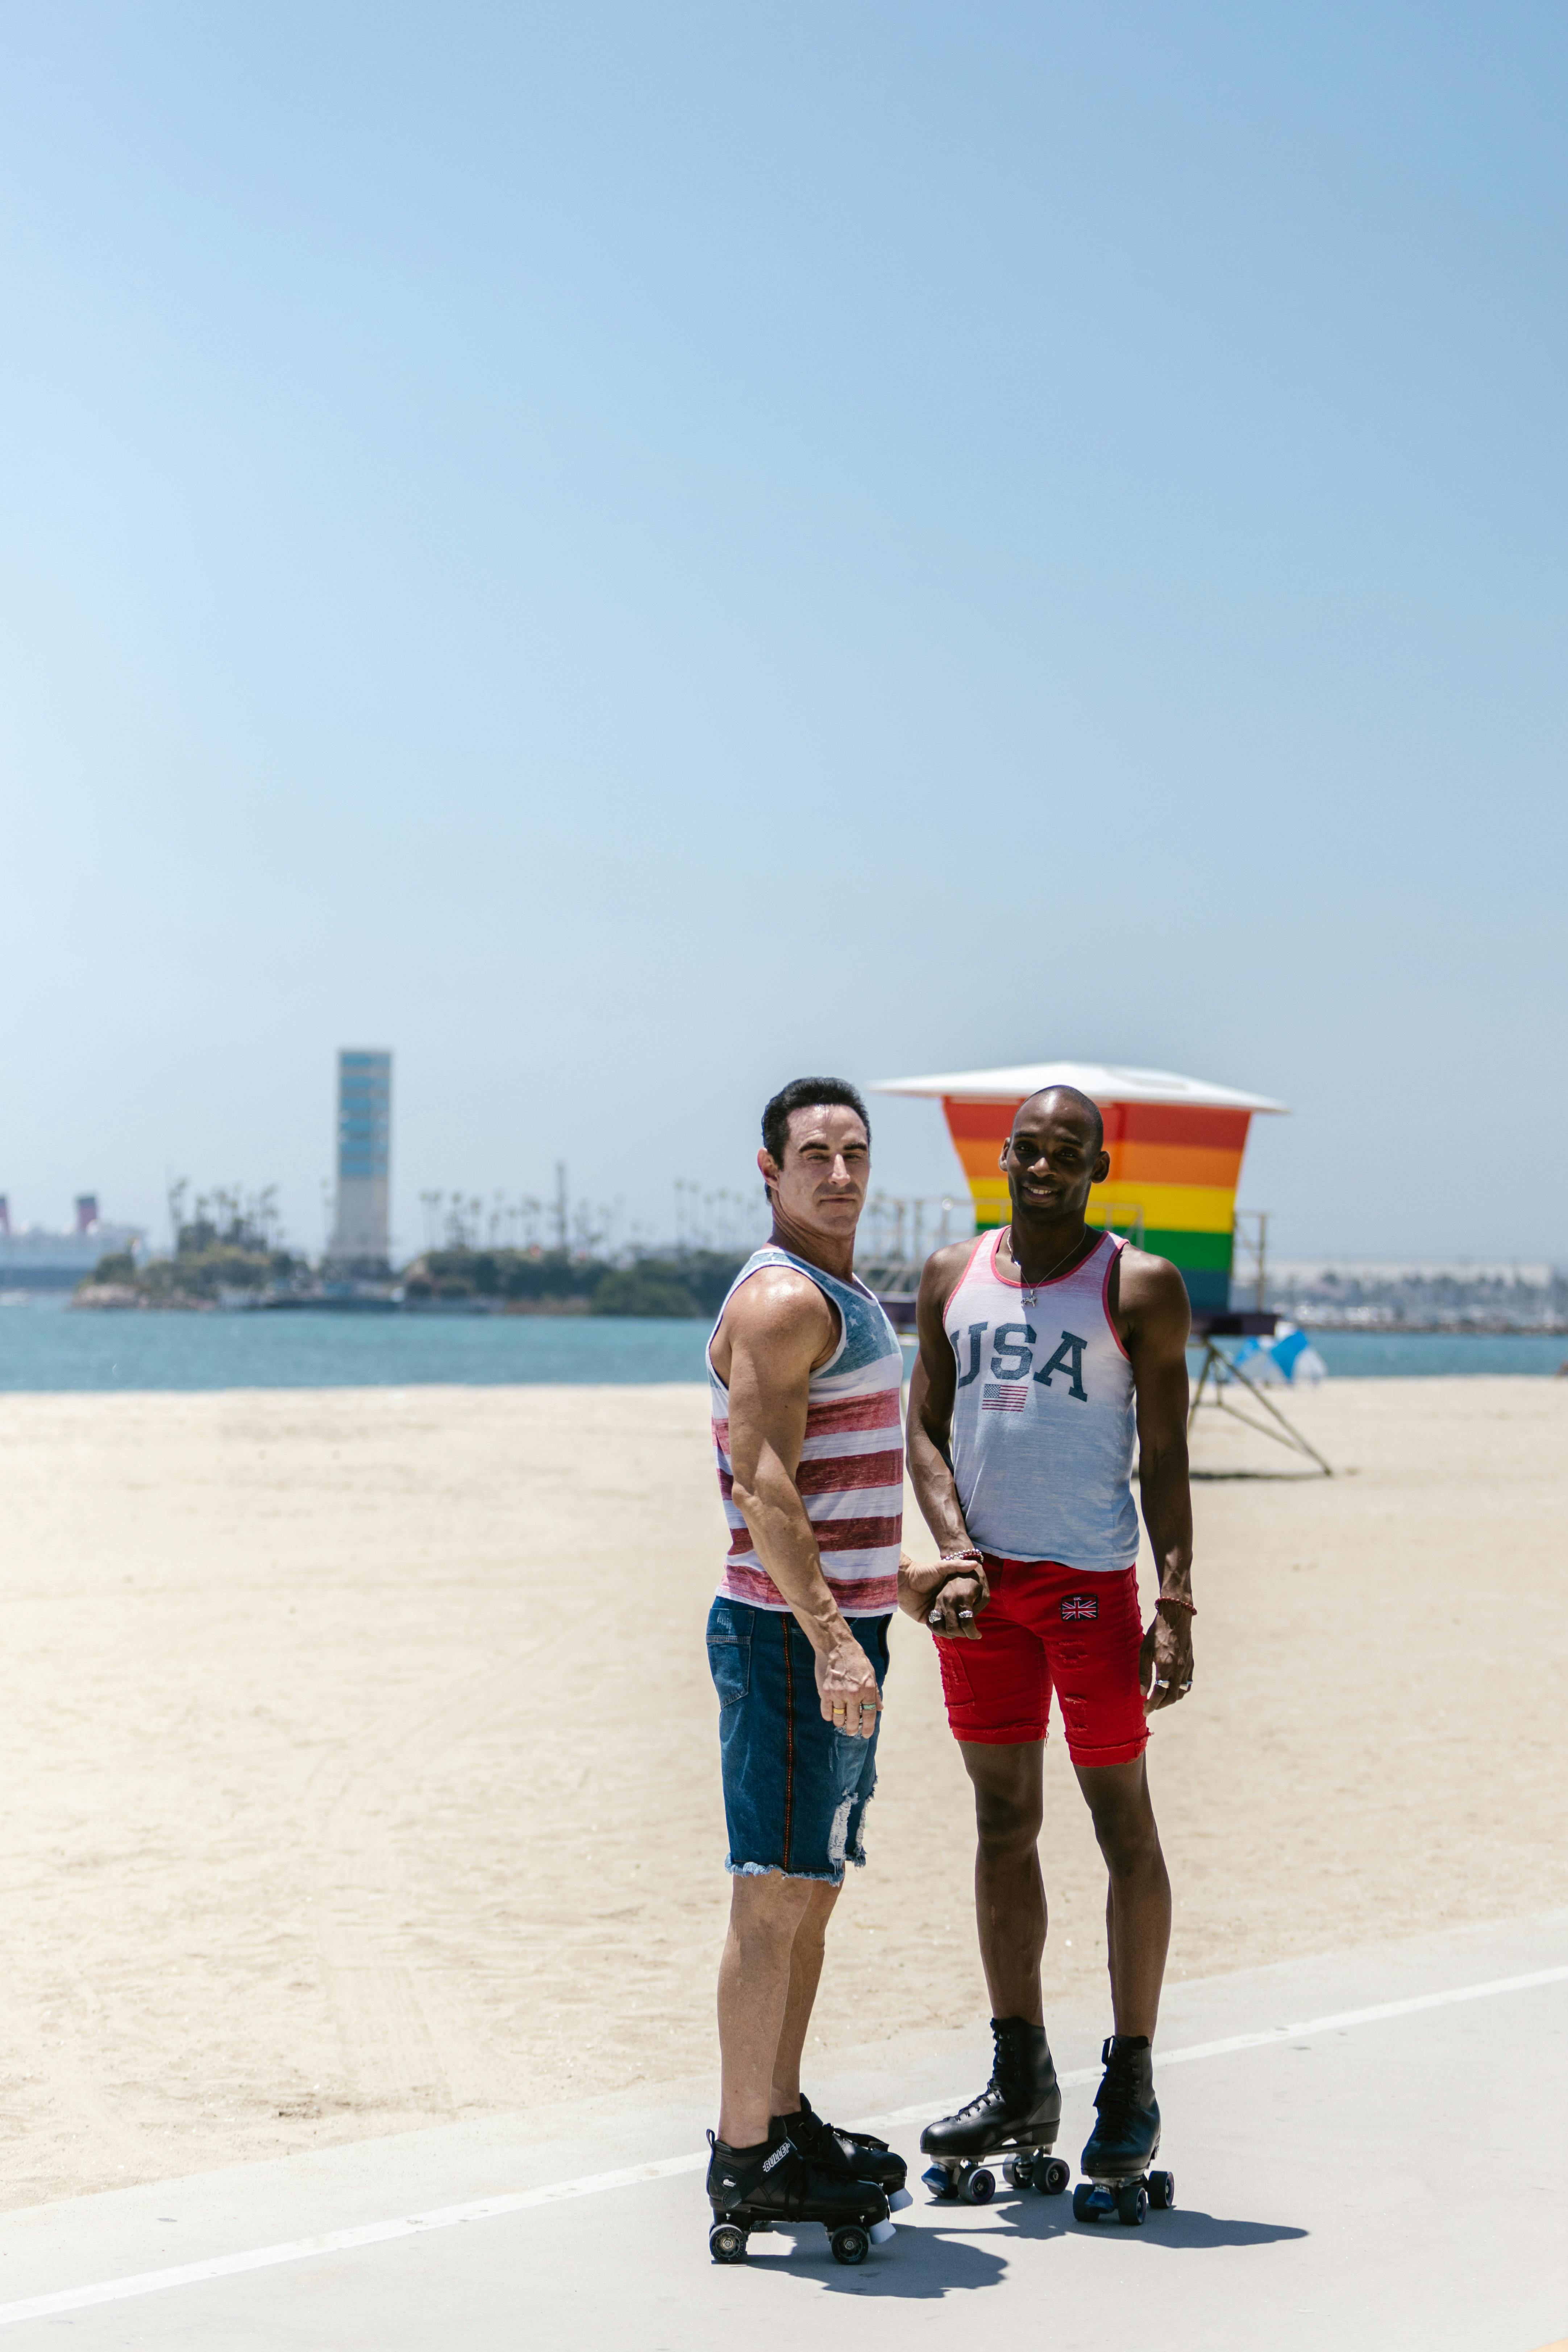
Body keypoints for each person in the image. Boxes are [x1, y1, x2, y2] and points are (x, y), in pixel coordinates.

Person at [906, 1084, 1195, 2210]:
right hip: (984, 1594)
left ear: (1099, 1167)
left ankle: (1130, 2080)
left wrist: (1173, 1599)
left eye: (1064, 1153)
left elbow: (1165, 1455)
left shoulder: (1138, 1285)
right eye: (1027, 1148)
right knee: (1000, 1820)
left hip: (1088, 1589)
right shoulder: (949, 1276)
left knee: (1122, 1821)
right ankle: (1020, 2071)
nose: (1042, 1166)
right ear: (1004, 1153)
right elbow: (925, 1428)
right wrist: (952, 1548)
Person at [703, 1075, 966, 2264]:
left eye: (856, 1151)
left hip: (840, 1626)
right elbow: (763, 1487)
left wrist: (893, 1584)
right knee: (772, 1892)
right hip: (783, 1639)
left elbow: (836, 1484)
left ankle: (783, 2114)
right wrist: (828, 1632)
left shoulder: (844, 1292)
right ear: (771, 1170)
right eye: (814, 1154)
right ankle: (743, 2149)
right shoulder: (777, 1299)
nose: (841, 1173)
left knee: (812, 1886)